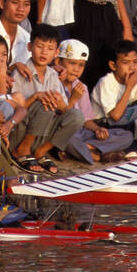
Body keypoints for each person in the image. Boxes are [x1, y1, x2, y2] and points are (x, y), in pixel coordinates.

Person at [6, 25, 84, 174]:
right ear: (30, 47)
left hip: (42, 134)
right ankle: (21, 150)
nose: (44, 52)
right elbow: (14, 109)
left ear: (56, 53)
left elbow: (63, 110)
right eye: (40, 46)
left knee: (76, 116)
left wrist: (62, 105)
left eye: (49, 49)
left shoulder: (53, 75)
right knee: (44, 104)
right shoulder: (19, 73)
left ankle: (41, 152)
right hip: (19, 133)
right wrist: (36, 97)